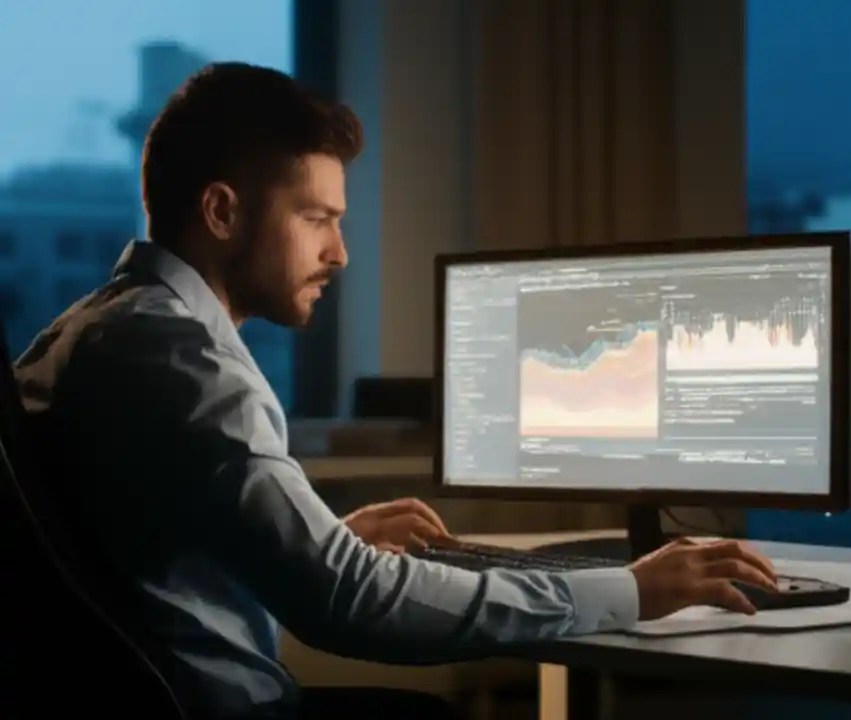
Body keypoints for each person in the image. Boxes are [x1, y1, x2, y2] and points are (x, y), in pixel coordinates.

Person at [12, 62, 777, 720]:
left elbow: (167, 548)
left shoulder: (93, 330)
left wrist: (322, 537)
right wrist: (632, 591)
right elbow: (347, 604)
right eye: (316, 218)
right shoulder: (186, 363)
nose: (339, 253)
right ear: (220, 211)